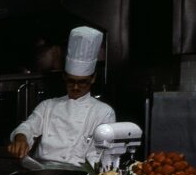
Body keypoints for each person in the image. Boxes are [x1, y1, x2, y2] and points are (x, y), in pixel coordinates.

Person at [7, 26, 116, 165]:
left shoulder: (104, 112)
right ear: (64, 76)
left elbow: (100, 156)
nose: (76, 87)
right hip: (42, 174)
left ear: (93, 78)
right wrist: (20, 138)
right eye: (71, 81)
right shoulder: (48, 106)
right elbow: (27, 127)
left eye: (82, 82)